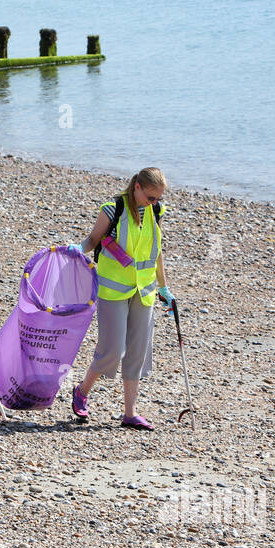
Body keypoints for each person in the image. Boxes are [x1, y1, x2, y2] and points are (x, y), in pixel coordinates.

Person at [67, 167, 176, 429]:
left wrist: (164, 287)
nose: (155, 203)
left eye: (159, 198)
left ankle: (130, 413)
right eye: (151, 197)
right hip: (113, 289)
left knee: (137, 352)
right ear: (137, 187)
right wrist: (78, 249)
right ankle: (82, 391)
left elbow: (157, 251)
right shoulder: (112, 208)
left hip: (145, 290)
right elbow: (93, 239)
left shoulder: (156, 212)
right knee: (112, 350)